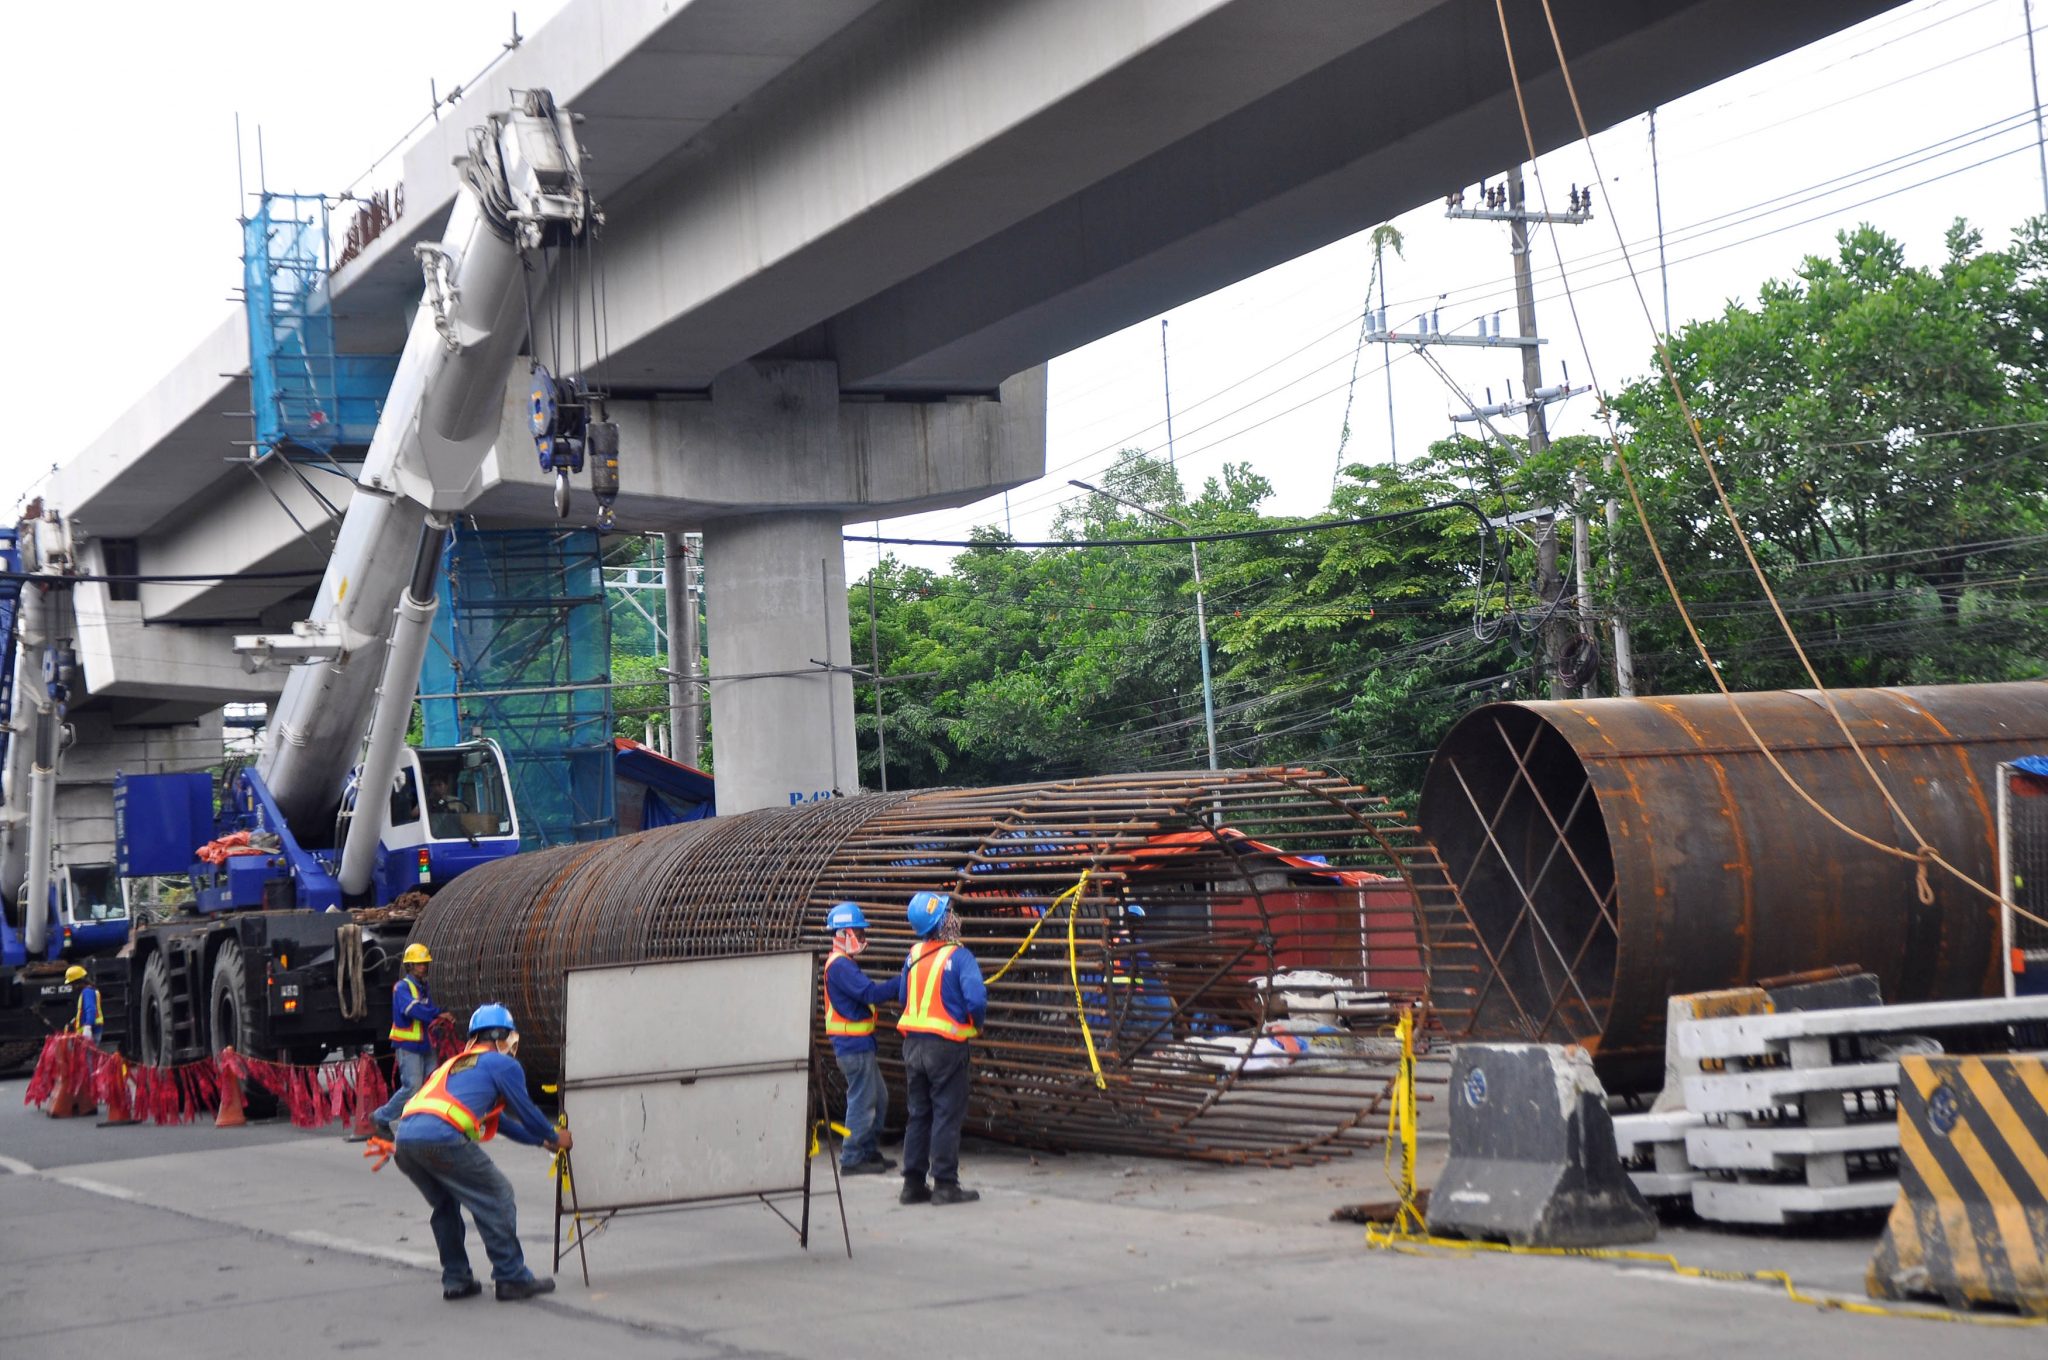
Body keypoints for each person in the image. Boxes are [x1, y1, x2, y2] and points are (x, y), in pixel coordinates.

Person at [393, 1002, 568, 1301]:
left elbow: (500, 1123)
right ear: (504, 1036)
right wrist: (553, 1134)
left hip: (406, 1140)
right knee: (498, 1195)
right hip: (441, 1137)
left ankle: (457, 1280)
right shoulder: (503, 1064)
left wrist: (541, 1141)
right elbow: (526, 1112)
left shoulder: (454, 1065)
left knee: (445, 1205)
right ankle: (511, 1277)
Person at [895, 891, 987, 1206]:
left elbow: (902, 997)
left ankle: (912, 1184)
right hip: (946, 1048)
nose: (955, 916)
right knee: (946, 1114)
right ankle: (946, 1185)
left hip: (913, 1046)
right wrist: (975, 1024)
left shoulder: (914, 954)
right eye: (950, 912)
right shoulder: (960, 957)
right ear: (943, 921)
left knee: (919, 1115)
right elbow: (976, 999)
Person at [821, 902, 901, 1176]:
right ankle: (853, 1157)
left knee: (879, 1097)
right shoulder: (841, 966)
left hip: (858, 1045)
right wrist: (902, 982)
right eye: (858, 932)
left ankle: (867, 1151)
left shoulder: (844, 964)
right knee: (863, 1101)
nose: (862, 938)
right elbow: (869, 994)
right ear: (843, 934)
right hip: (852, 1047)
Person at [371, 943, 440, 1137]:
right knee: (412, 1087)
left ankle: (422, 1122)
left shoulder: (424, 987)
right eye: (419, 964)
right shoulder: (402, 988)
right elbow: (414, 1011)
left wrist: (438, 1018)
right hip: (408, 1046)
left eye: (425, 964)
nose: (423, 967)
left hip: (426, 1044)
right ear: (409, 966)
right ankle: (381, 1118)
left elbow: (427, 1011)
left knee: (432, 1084)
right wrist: (437, 1013)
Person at [65, 964, 102, 1043]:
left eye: (72, 984)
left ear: (77, 982)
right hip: (92, 1031)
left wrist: (88, 1026)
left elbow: (91, 1009)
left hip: (91, 1032)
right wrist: (74, 1021)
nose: (72, 987)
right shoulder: (89, 990)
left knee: (88, 1055)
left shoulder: (87, 992)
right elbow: (84, 1011)